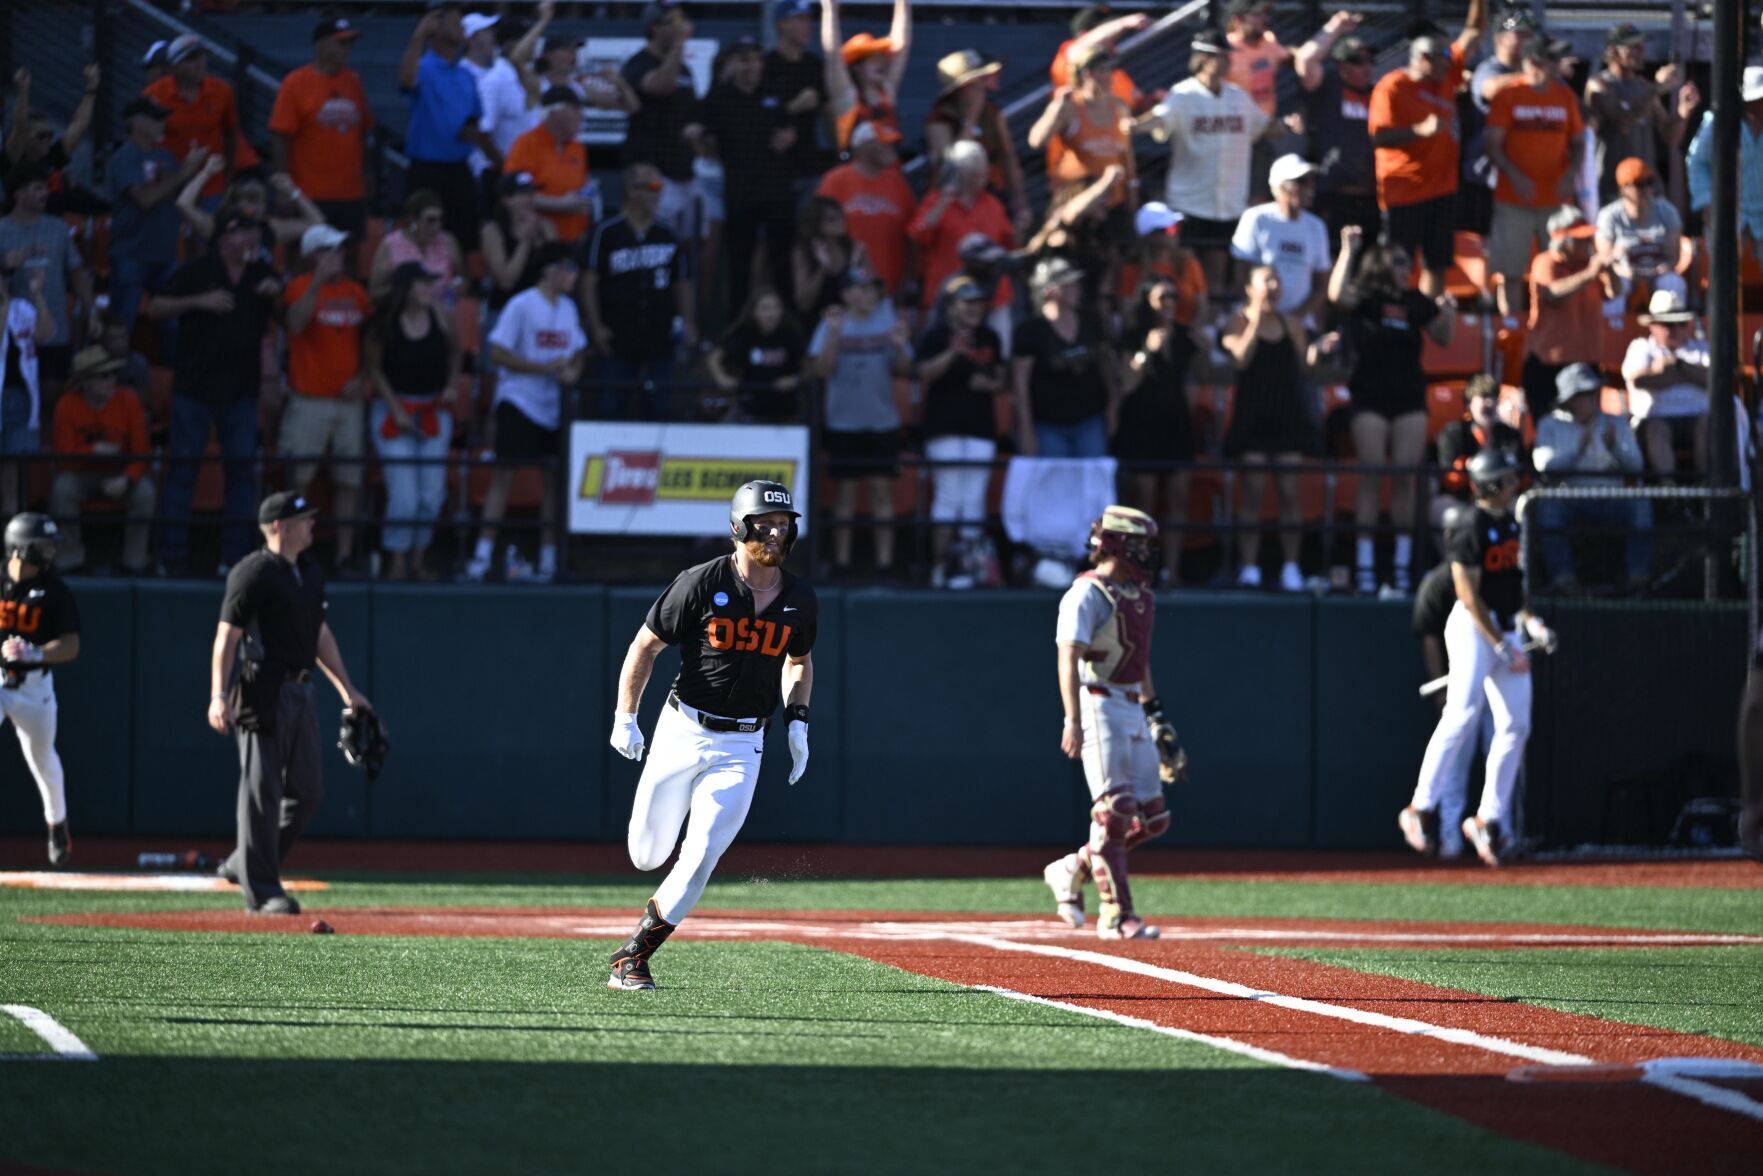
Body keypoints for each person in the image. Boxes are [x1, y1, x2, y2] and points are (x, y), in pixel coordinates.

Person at [605, 480, 816, 990]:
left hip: (743, 743)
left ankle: (633, 957)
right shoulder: (700, 582)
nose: (775, 531)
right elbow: (644, 647)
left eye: (784, 524)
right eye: (765, 522)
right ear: (739, 526)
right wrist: (625, 715)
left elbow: (799, 662)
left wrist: (799, 722)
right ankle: (646, 915)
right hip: (683, 727)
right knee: (647, 855)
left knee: (702, 853)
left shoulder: (801, 598)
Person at [208, 491, 374, 914]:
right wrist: (218, 695)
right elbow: (226, 637)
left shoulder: (309, 572)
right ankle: (261, 890)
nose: (311, 525)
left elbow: (319, 634)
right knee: (263, 791)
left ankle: (245, 863)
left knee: (308, 792)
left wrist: (347, 689)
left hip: (302, 690)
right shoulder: (253, 572)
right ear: (280, 526)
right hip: (262, 688)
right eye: (303, 519)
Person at [1400, 449, 1555, 868]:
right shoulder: (1469, 525)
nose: (1513, 485)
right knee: (1462, 714)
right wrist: (1501, 645)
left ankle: (1488, 818)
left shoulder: (1509, 522)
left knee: (1515, 725)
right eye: (1506, 480)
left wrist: (1531, 623)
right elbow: (1468, 596)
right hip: (1473, 628)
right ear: (1489, 485)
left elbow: (1511, 587)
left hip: (1504, 627)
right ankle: (1420, 807)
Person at [1041, 505, 1183, 939]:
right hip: (1097, 700)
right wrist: (1073, 717)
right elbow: (1068, 656)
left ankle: (1072, 867)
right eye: (1138, 544)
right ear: (1116, 543)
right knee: (1114, 810)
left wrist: (1156, 716)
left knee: (1153, 817)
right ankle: (1116, 914)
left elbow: (1139, 662)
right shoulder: (1086, 593)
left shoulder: (1139, 595)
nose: (1146, 554)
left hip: (1130, 705)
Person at [148, 211, 281, 575]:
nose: (253, 239)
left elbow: (286, 316)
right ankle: (172, 556)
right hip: (194, 389)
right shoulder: (196, 271)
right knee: (182, 473)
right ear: (225, 236)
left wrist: (277, 293)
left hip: (241, 392)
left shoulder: (261, 274)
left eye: (256, 232)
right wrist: (198, 301)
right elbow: (155, 308)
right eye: (246, 231)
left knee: (241, 475)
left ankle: (234, 558)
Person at [1328, 228, 1456, 595]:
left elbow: (1443, 338)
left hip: (1408, 397)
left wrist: (1446, 313)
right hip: (1369, 395)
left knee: (1404, 477)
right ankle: (1365, 563)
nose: (1406, 269)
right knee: (1371, 474)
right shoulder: (1367, 298)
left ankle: (1401, 565)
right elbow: (1338, 295)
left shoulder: (1415, 300)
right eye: (1400, 262)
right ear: (1383, 263)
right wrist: (1349, 251)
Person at [470, 243, 586, 583]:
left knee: (552, 479)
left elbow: (578, 352)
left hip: (553, 406)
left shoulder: (568, 308)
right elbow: (498, 353)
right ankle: (480, 557)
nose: (572, 276)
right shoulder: (521, 305)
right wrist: (540, 367)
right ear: (550, 269)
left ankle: (549, 560)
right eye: (567, 268)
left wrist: (574, 370)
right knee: (504, 475)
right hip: (519, 400)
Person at [1222, 264, 1332, 591]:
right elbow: (1239, 358)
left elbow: (1305, 366)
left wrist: (1318, 351)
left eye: (1276, 280)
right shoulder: (1237, 321)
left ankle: (1291, 567)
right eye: (1266, 280)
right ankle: (1249, 567)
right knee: (1252, 494)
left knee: (1289, 493)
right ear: (1250, 288)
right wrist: (1256, 320)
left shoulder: (1293, 324)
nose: (1272, 286)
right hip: (1253, 415)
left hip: (1287, 415)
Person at [1141, 36, 1277, 295]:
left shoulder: (1238, 96)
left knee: (1218, 271)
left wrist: (1285, 126)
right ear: (1204, 59)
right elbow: (1160, 120)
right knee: (1185, 270)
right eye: (1221, 56)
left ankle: (1211, 328)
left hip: (1229, 202)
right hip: (1189, 203)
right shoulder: (1183, 94)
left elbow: (1263, 125)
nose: (1228, 61)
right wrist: (1136, 126)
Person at [1368, 5, 1486, 298]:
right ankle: (1395, 315)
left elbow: (1474, 32)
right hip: (1403, 194)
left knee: (1437, 263)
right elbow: (1378, 137)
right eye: (1442, 56)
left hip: (1442, 191)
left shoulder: (1445, 77)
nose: (1450, 61)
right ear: (1423, 58)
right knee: (1397, 263)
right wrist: (1418, 131)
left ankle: (1428, 315)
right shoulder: (1393, 87)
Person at [807, 265, 911, 577]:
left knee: (882, 492)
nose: (868, 295)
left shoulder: (887, 322)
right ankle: (841, 563)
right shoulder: (832, 324)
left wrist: (898, 345)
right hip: (843, 424)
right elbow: (820, 372)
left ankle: (885, 564)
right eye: (861, 289)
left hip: (882, 422)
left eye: (871, 289)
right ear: (846, 294)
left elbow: (906, 370)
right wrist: (834, 337)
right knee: (844, 495)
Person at [281, 224, 371, 573]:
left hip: (348, 402)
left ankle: (345, 555)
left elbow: (369, 344)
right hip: (309, 400)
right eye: (330, 250)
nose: (339, 256)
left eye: (340, 250)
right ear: (313, 255)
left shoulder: (356, 293)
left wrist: (362, 377)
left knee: (349, 480)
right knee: (299, 480)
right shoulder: (298, 288)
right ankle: (293, 555)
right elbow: (296, 324)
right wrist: (317, 281)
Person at [365, 261, 459, 582]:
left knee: (431, 494)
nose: (428, 288)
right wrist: (396, 409)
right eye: (422, 283)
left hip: (433, 409)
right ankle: (396, 559)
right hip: (394, 408)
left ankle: (418, 559)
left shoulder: (440, 315)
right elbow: (374, 369)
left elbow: (456, 352)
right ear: (405, 288)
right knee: (404, 494)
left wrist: (451, 384)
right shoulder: (384, 323)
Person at [581, 161, 694, 421]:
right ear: (632, 191)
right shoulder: (606, 233)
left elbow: (683, 282)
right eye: (653, 186)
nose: (659, 192)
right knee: (611, 406)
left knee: (660, 407)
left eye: (660, 186)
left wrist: (689, 323)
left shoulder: (669, 233)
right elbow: (589, 282)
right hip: (617, 336)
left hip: (660, 335)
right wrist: (596, 326)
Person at [1483, 39, 1585, 321]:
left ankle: (1552, 328)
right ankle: (1512, 329)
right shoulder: (1509, 95)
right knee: (1511, 271)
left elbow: (1578, 143)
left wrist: (1570, 174)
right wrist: (1514, 175)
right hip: (1514, 199)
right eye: (1552, 60)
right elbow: (1492, 144)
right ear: (1534, 62)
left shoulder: (1565, 97)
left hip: (1555, 201)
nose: (1558, 66)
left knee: (1559, 267)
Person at [915, 275, 1006, 587]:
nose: (974, 308)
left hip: (981, 427)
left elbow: (1002, 378)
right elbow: (922, 372)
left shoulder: (989, 336)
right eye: (966, 302)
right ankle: (940, 567)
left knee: (974, 498)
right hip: (944, 426)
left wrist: (991, 384)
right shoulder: (936, 336)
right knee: (948, 494)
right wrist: (953, 351)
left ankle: (970, 566)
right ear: (950, 306)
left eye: (977, 302)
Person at [0, 513, 80, 867]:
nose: (49, 552)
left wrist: (35, 652)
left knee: (43, 760)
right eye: (41, 546)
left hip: (35, 687)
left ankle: (57, 825)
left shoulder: (55, 590)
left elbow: (71, 645)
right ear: (19, 550)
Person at [699, 37, 799, 312]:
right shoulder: (719, 96)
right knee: (739, 264)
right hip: (740, 192)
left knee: (781, 262)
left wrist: (788, 136)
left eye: (756, 59)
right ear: (732, 63)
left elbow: (790, 127)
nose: (751, 66)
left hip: (776, 190)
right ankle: (736, 326)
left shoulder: (773, 91)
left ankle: (786, 323)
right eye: (744, 60)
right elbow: (698, 131)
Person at [1532, 363, 1649, 592]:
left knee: (1640, 505)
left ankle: (1638, 576)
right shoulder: (1550, 425)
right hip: (1571, 499)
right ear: (1569, 399)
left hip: (1612, 498)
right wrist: (1576, 451)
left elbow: (1637, 466)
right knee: (1548, 507)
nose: (1592, 399)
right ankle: (1563, 577)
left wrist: (1614, 447)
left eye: (1593, 392)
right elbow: (1544, 466)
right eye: (1584, 394)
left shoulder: (1615, 423)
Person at [1411, 504, 1484, 858]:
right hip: (1459, 681)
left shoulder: (1492, 572)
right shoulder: (1439, 582)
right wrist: (1441, 682)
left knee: (1505, 745)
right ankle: (1450, 838)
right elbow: (1427, 635)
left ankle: (1500, 831)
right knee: (1456, 761)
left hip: (1494, 677)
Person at [1117, 277, 1201, 584]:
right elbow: (1126, 383)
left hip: (1176, 423)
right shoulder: (1132, 335)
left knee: (1179, 498)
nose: (1169, 303)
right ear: (1147, 300)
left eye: (1174, 297)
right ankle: (1139, 569)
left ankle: (1172, 570)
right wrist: (1147, 351)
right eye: (1162, 296)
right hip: (1142, 424)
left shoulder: (1184, 336)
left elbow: (1200, 377)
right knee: (1144, 499)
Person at [399, 0, 500, 253]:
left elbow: (474, 124)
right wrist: (418, 37)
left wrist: (498, 160)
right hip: (427, 171)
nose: (463, 29)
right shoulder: (424, 67)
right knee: (419, 241)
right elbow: (407, 80)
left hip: (459, 170)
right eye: (457, 23)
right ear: (436, 25)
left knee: (464, 242)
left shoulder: (465, 75)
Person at [49, 346, 155, 574]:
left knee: (144, 492)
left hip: (119, 472)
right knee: (62, 489)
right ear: (85, 382)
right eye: (104, 375)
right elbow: (63, 459)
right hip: (82, 473)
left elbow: (142, 453)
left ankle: (134, 562)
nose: (111, 380)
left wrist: (127, 479)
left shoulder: (129, 400)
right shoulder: (66, 406)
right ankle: (70, 560)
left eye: (114, 374)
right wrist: (92, 450)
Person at [105, 98, 207, 331]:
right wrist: (184, 173)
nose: (162, 123)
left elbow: (184, 198)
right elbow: (145, 199)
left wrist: (198, 174)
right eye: (155, 118)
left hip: (166, 254)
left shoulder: (168, 157)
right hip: (131, 255)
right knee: (122, 324)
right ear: (135, 121)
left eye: (162, 118)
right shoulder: (124, 157)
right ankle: (115, 367)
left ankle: (172, 367)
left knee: (172, 326)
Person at [268, 17, 374, 240]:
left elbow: (363, 132)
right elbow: (280, 136)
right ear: (320, 45)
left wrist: (367, 175)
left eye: (349, 43)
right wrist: (284, 189)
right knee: (307, 255)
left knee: (348, 255)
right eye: (341, 43)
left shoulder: (353, 81)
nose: (347, 49)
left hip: (350, 191)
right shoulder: (295, 82)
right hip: (310, 193)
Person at [0, 163, 92, 406]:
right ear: (18, 193)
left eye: (45, 188)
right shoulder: (1, 231)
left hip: (56, 330)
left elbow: (77, 270)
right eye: (38, 188)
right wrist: (6, 268)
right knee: (19, 402)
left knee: (52, 400)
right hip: (14, 333)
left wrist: (90, 309)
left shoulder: (58, 227)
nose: (45, 193)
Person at [1584, 24, 1695, 205]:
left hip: (1647, 187)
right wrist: (1657, 88)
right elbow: (1624, 122)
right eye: (1633, 46)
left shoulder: (1644, 87)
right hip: (1614, 189)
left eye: (1641, 46)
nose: (1640, 51)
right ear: (1614, 52)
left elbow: (1671, 136)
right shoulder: (1599, 85)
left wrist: (1685, 111)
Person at [622, 1, 706, 239]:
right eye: (672, 22)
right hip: (652, 174)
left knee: (687, 245)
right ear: (654, 28)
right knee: (654, 240)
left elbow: (691, 112)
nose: (679, 27)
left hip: (684, 172)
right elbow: (662, 85)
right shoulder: (637, 64)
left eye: (681, 21)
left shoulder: (685, 70)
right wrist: (680, 43)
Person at [1012, 257, 1111, 459]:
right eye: (1068, 284)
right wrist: (1026, 429)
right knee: (1056, 487)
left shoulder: (1091, 321)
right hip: (1048, 425)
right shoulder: (1030, 331)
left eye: (1075, 283)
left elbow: (1106, 366)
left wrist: (1113, 407)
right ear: (1049, 290)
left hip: (1090, 421)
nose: (1076, 288)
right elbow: (1020, 384)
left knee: (1090, 485)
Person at [1522, 207, 1614, 424]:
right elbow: (1552, 294)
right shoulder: (1545, 262)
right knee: (1550, 427)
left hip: (1586, 361)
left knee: (1587, 426)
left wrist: (1609, 269)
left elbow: (1613, 293)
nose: (1588, 243)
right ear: (1562, 241)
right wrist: (1590, 273)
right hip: (1549, 365)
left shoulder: (1588, 264)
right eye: (1580, 239)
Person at [1030, 44, 1136, 229]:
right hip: (1075, 203)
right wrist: (1055, 109)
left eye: (1110, 70)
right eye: (1102, 70)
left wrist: (1133, 192)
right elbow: (1036, 141)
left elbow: (1127, 156)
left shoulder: (1119, 108)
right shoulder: (1071, 107)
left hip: (1112, 203)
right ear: (1087, 73)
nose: (1108, 77)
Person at [907, 140, 1014, 320]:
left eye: (983, 167)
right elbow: (917, 235)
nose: (983, 173)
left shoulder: (993, 205)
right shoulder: (936, 201)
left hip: (992, 297)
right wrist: (941, 205)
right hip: (949, 298)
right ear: (960, 170)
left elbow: (1008, 246)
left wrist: (1020, 227)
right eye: (976, 167)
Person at [928, 49, 1030, 236]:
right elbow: (950, 166)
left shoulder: (992, 113)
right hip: (956, 205)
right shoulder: (939, 120)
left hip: (994, 199)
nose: (987, 87)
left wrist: (1020, 203)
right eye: (978, 82)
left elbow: (1008, 158)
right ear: (963, 88)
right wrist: (971, 119)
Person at [1295, 14, 1377, 243]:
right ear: (1341, 65)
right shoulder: (1328, 88)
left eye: (1370, 60)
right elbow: (1305, 60)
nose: (1366, 67)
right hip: (1331, 194)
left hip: (1369, 195)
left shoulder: (1378, 94)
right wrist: (1334, 28)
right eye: (1357, 61)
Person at [814, 120, 914, 298]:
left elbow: (911, 236)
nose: (891, 149)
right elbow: (818, 232)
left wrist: (907, 280)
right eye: (885, 143)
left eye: (892, 144)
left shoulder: (899, 183)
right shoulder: (835, 181)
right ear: (864, 147)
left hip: (890, 290)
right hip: (847, 291)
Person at [1230, 154, 1332, 318]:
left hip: (1300, 324)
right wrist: (1263, 319)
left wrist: (1295, 320)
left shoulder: (1317, 226)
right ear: (1280, 187)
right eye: (1301, 181)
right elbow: (1241, 277)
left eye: (1311, 181)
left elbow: (1321, 286)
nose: (1310, 187)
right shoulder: (1256, 218)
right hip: (1259, 321)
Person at [144, 35, 240, 207]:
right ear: (174, 67)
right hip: (169, 184)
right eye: (191, 59)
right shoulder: (154, 94)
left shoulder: (222, 91)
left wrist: (228, 179)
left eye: (202, 57)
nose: (200, 64)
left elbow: (231, 135)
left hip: (211, 184)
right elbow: (143, 142)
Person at [1621, 289, 1708, 478]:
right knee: (1657, 429)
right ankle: (1669, 492)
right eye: (1668, 324)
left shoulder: (1701, 348)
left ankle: (1706, 489)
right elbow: (1640, 380)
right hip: (1655, 418)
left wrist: (1676, 366)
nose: (1676, 329)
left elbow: (1715, 380)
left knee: (1708, 424)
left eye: (1681, 323)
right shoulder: (1641, 347)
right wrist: (1690, 374)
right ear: (1652, 325)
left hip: (1697, 417)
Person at [2, 64, 106, 218]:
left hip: (51, 233)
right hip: (19, 234)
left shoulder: (52, 156)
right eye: (41, 135)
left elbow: (79, 125)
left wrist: (91, 89)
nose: (48, 140)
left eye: (50, 135)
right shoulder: (13, 161)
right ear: (26, 140)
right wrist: (23, 92)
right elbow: (19, 129)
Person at [1687, 67, 1763, 265]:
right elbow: (1696, 162)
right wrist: (1706, 201)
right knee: (1726, 273)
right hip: (1730, 214)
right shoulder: (1719, 123)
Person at [1432, 373, 1523, 529]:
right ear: (1469, 403)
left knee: (1523, 505)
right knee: (1440, 506)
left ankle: (1514, 552)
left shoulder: (1510, 435)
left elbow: (1519, 472)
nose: (1489, 402)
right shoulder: (1453, 433)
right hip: (1463, 500)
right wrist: (1468, 466)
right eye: (1483, 397)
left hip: (1501, 500)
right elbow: (1447, 476)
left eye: (1493, 397)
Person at [503, 87, 592, 244]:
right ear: (554, 113)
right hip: (540, 241)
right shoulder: (526, 145)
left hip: (575, 238)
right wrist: (559, 204)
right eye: (575, 109)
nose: (581, 115)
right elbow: (512, 196)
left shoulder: (578, 148)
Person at [1595, 158, 1686, 311]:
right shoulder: (1609, 216)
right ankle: (1614, 332)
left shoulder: (1667, 211)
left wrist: (1665, 268)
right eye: (1639, 184)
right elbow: (1605, 260)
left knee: (1673, 283)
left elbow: (1674, 257)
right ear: (1623, 189)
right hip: (1624, 275)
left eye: (1649, 183)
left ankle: (1670, 331)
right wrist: (1624, 271)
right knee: (1615, 288)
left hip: (1658, 274)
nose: (1646, 190)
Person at [763, 0, 831, 200]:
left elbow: (828, 112)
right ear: (782, 24)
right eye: (800, 19)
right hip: (773, 168)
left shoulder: (814, 66)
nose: (808, 25)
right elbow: (756, 116)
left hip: (809, 165)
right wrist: (792, 107)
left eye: (809, 19)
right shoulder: (767, 66)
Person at [0, 260, 53, 520]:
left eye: (4, 276)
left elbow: (46, 335)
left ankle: (10, 549)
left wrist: (37, 294)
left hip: (20, 399)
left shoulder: (22, 308)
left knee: (13, 477)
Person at [708, 286, 805, 423]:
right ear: (754, 312)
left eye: (776, 307)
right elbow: (714, 357)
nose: (771, 313)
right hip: (749, 407)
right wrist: (721, 377)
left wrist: (793, 379)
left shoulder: (791, 334)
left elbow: (809, 367)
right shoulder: (744, 334)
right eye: (765, 308)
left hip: (784, 410)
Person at [823, 0, 911, 149]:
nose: (882, 64)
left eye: (882, 58)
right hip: (855, 171)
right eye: (873, 60)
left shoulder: (886, 92)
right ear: (856, 67)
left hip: (890, 171)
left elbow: (902, 46)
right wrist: (829, 9)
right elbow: (833, 56)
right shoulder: (847, 97)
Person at [369, 189, 464, 306]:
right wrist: (405, 290)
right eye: (431, 220)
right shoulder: (390, 245)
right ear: (413, 219)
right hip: (404, 314)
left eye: (440, 220)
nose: (437, 226)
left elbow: (463, 279)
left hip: (442, 313)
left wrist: (457, 287)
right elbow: (374, 293)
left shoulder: (448, 241)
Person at [481, 171, 556, 312]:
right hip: (505, 309)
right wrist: (525, 242)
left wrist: (540, 240)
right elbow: (506, 282)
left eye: (532, 193)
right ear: (506, 200)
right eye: (523, 194)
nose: (531, 199)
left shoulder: (547, 227)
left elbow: (556, 273)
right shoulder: (492, 231)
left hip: (540, 311)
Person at [792, 195, 863, 319]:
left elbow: (875, 291)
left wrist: (855, 268)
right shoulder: (804, 251)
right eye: (831, 219)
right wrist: (823, 268)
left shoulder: (853, 248)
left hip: (850, 321)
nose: (839, 222)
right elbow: (803, 302)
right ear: (817, 223)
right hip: (817, 319)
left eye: (840, 216)